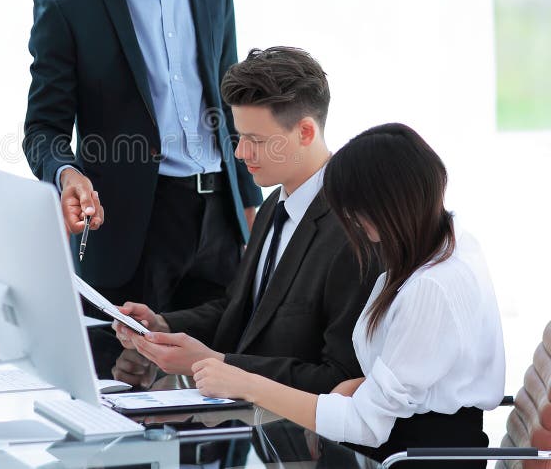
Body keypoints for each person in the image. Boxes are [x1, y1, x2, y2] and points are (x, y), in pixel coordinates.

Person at [23, 0, 261, 312]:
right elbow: (42, 130)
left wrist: (249, 204)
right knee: (121, 383)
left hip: (221, 219)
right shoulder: (65, 1)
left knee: (220, 381)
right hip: (128, 231)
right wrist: (66, 172)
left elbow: (230, 88)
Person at [191, 123, 505, 467]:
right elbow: (420, 373)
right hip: (399, 444)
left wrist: (247, 384)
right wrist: (357, 386)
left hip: (411, 456)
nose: (352, 221)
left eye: (353, 208)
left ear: (386, 204)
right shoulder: (447, 244)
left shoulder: (432, 285)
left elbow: (365, 425)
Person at [113, 47, 379, 394]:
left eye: (256, 140)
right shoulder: (273, 206)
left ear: (305, 133)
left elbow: (340, 378)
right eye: (239, 138)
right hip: (247, 424)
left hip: (301, 440)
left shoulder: (357, 231)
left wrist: (218, 365)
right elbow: (242, 309)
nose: (240, 154)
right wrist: (161, 325)